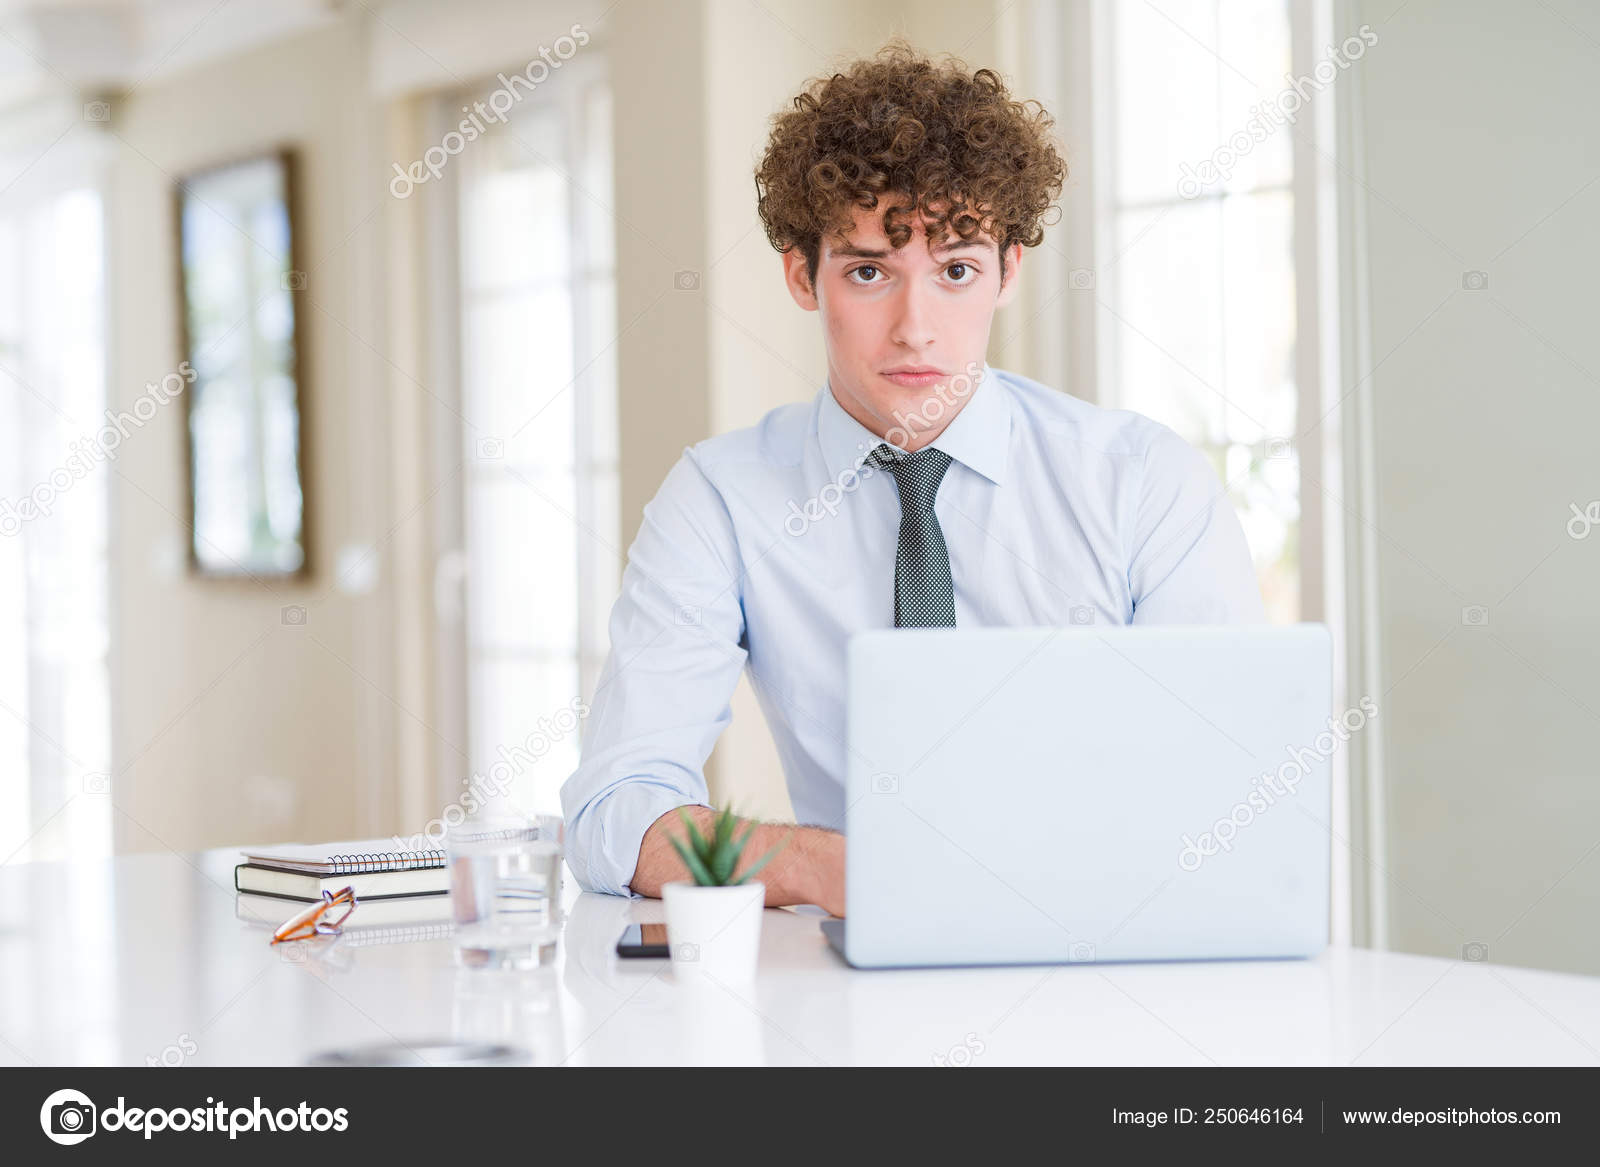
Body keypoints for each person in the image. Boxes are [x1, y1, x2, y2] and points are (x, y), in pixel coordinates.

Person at [561, 41, 1264, 917]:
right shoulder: (721, 500)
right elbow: (612, 815)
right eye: (868, 272)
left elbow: (1237, 789)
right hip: (851, 986)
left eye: (957, 271)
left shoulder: (1143, 483)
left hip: (1114, 960)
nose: (915, 329)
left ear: (1009, 272)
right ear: (800, 275)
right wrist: (823, 867)